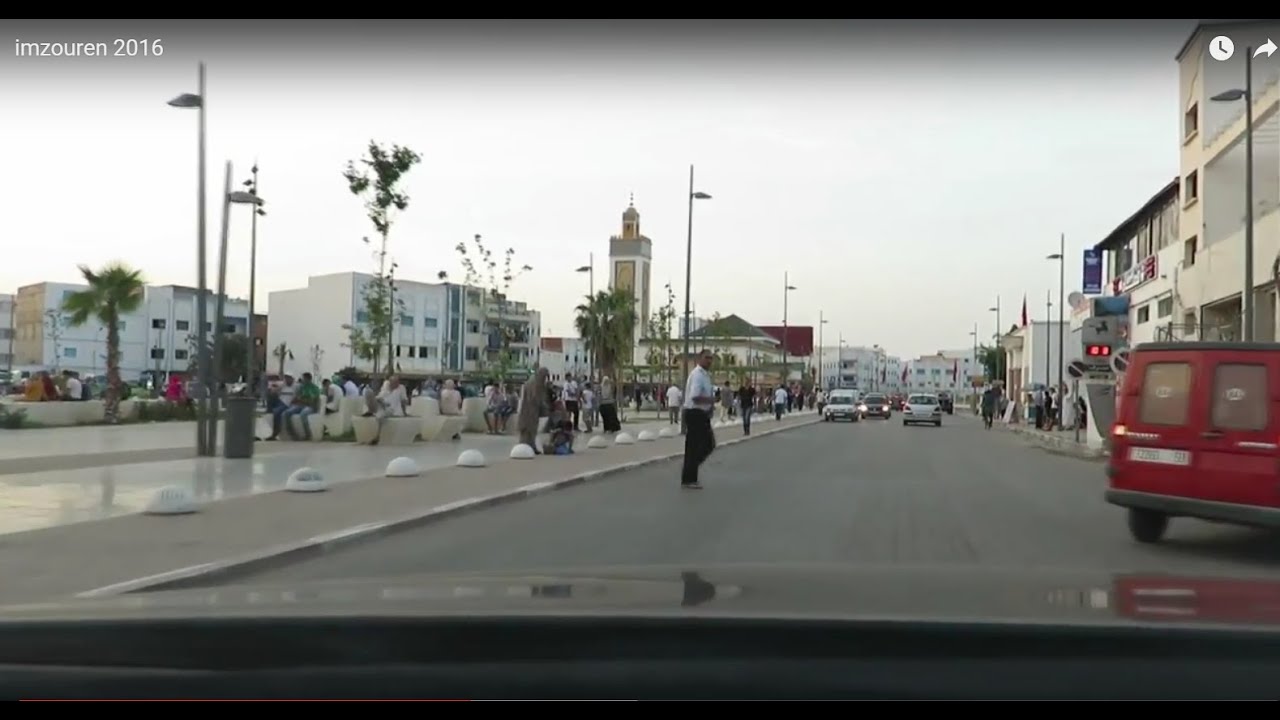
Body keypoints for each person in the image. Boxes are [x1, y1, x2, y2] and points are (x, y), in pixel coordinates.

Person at [681, 349, 717, 490]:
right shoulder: (698, 375)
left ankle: (689, 473)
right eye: (706, 358)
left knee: (700, 446)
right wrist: (711, 400)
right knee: (703, 444)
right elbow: (695, 397)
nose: (709, 361)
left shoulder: (705, 375)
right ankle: (689, 473)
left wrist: (709, 407)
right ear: (699, 359)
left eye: (711, 358)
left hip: (700, 413)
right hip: (694, 413)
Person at [518, 367, 550, 453]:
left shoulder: (531, 381)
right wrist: (543, 404)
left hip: (529, 409)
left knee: (529, 429)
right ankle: (527, 446)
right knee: (529, 428)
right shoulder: (535, 383)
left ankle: (529, 446)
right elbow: (534, 397)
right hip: (530, 409)